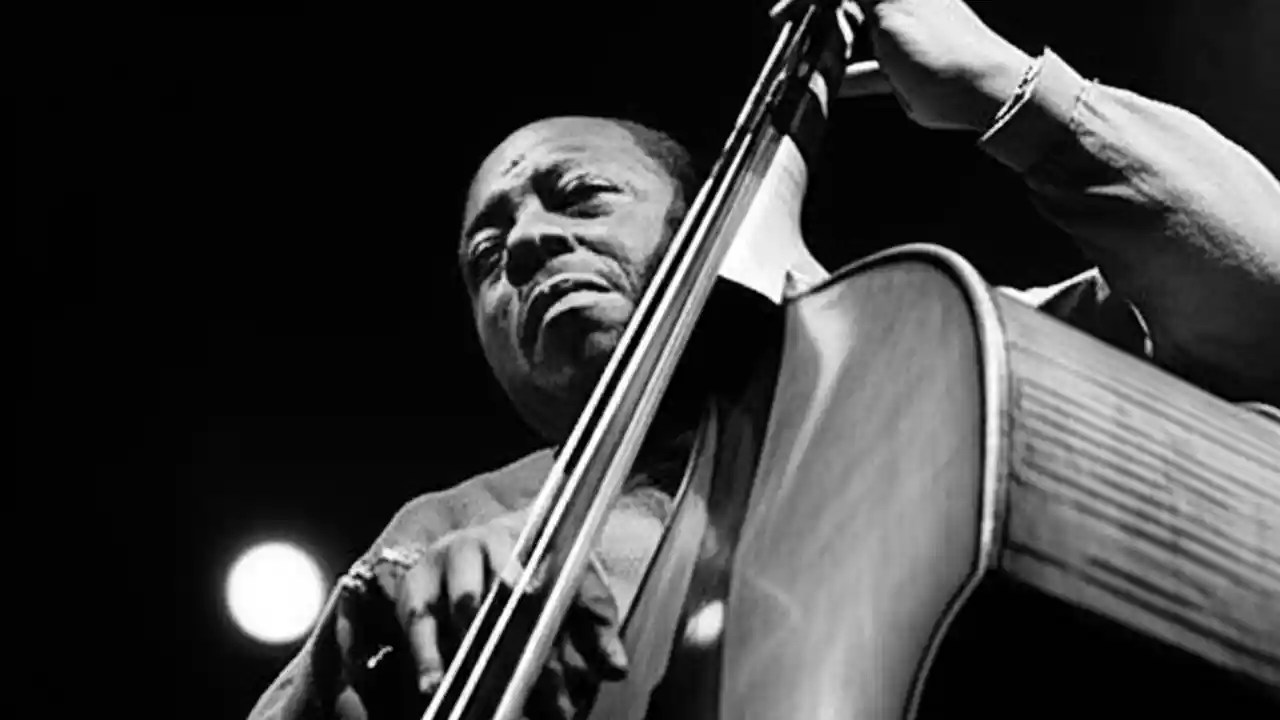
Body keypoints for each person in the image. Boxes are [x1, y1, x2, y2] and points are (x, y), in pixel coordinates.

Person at [248, 0, 1280, 717]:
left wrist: (1008, 90)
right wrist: (370, 640)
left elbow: (1260, 302)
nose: (522, 246)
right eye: (485, 257)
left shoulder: (945, 361)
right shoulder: (450, 528)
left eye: (578, 196)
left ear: (706, 219)